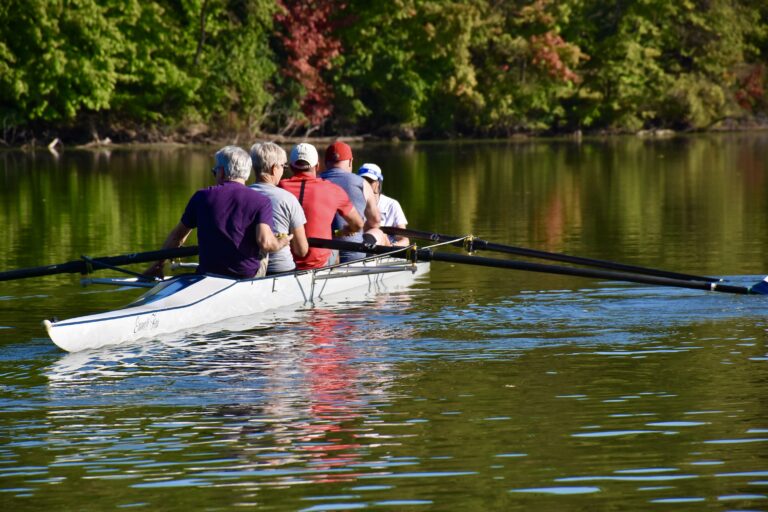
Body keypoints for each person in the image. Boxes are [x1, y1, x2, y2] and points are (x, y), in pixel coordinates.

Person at [145, 145, 291, 279]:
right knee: (263, 249)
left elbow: (177, 237)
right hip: (246, 276)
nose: (215, 174)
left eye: (214, 171)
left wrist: (158, 264)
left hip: (209, 273)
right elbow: (265, 243)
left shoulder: (201, 197)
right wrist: (281, 242)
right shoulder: (261, 201)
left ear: (221, 172)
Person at [279, 143, 364, 269]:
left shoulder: (280, 187)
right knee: (335, 248)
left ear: (291, 166)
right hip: (318, 262)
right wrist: (343, 231)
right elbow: (358, 225)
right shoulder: (333, 189)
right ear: (318, 166)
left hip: (287, 261)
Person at [249, 142, 309, 274]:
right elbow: (301, 250)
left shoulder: (241, 195)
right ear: (274, 168)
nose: (284, 170)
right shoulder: (288, 199)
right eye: (283, 166)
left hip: (248, 270)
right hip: (279, 269)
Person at [319, 141, 381, 262]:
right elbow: (376, 221)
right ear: (351, 161)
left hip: (322, 255)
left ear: (325, 162)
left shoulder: (314, 181)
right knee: (377, 232)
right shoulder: (362, 183)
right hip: (353, 255)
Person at [357, 163, 410, 247]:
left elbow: (404, 240)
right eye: (363, 181)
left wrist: (391, 246)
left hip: (386, 249)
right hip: (360, 247)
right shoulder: (353, 203)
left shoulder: (392, 205)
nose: (366, 185)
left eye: (370, 181)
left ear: (378, 183)